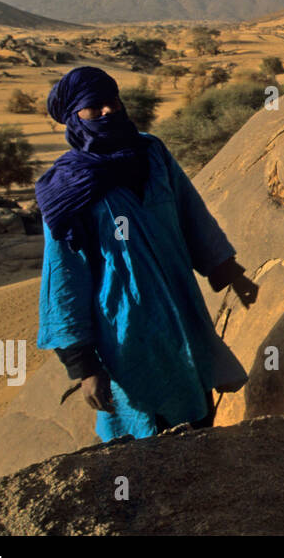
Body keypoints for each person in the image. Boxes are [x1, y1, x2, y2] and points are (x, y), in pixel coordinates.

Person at [34, 65, 258, 442]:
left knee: (197, 416)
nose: (107, 111)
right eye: (93, 106)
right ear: (74, 117)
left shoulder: (152, 153)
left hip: (181, 312)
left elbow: (190, 212)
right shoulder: (65, 188)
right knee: (141, 435)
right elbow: (63, 277)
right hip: (123, 332)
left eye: (111, 101)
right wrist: (84, 365)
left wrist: (226, 269)